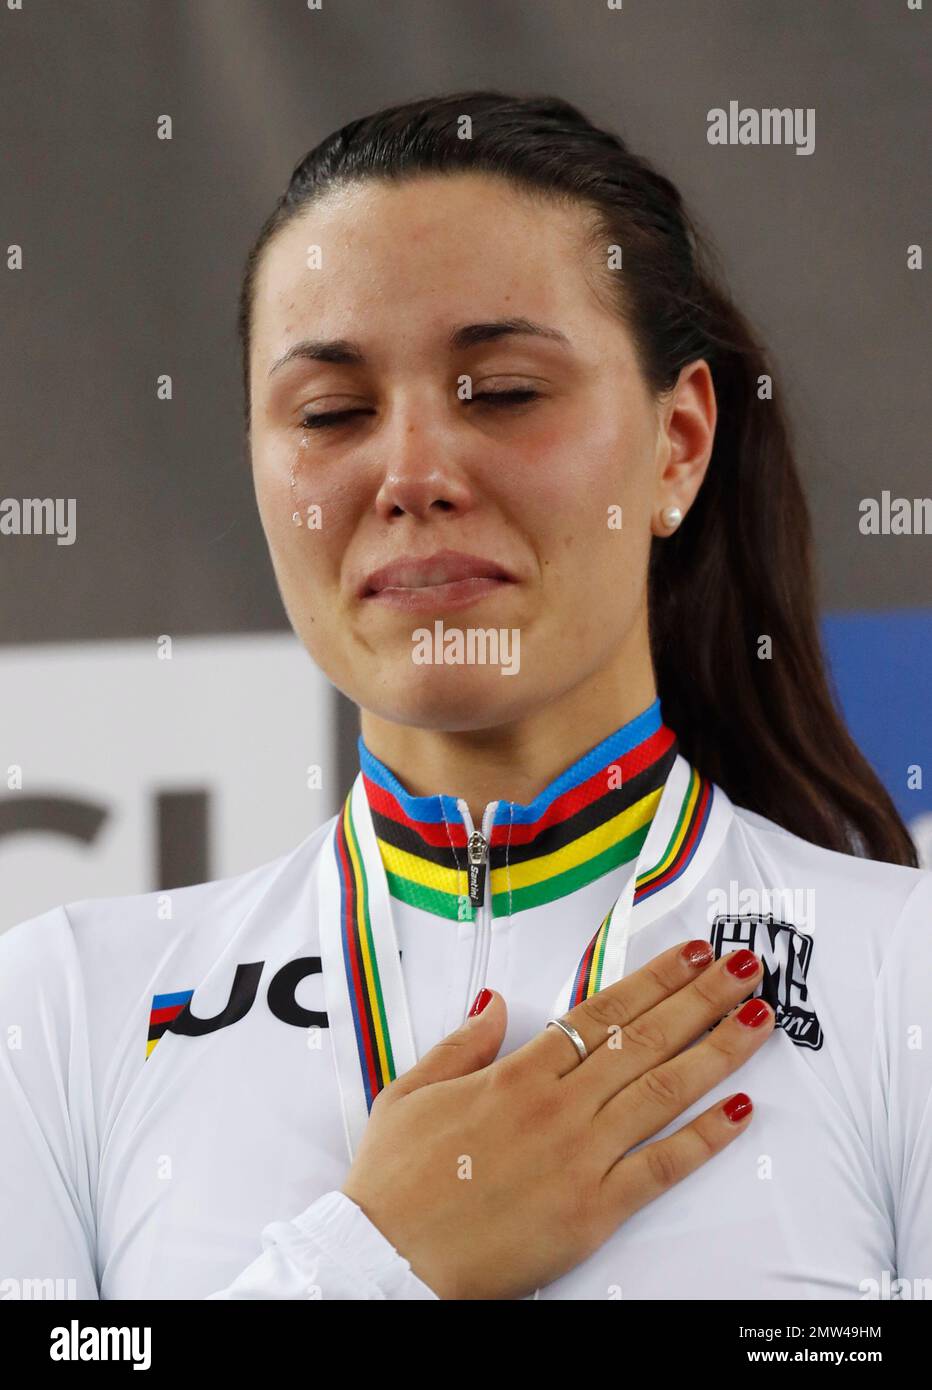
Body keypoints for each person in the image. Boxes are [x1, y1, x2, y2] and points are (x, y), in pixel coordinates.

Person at [1, 90, 929, 1302]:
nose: (413, 472)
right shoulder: (62, 1011)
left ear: (678, 443)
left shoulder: (902, 979)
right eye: (330, 413)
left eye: (502, 390)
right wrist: (375, 1258)